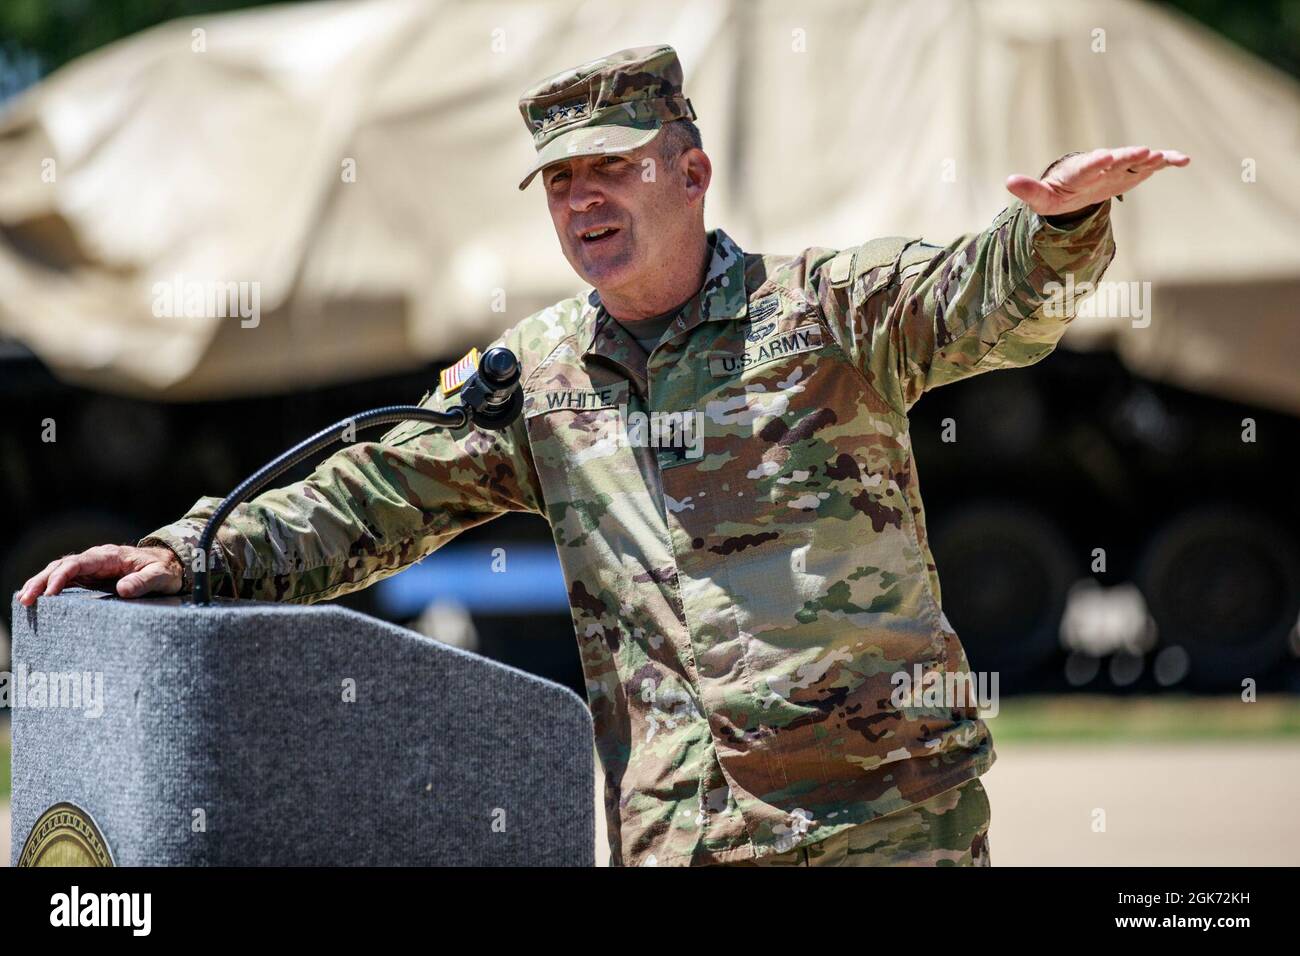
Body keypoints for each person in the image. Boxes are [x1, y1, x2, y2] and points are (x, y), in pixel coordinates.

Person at [19, 44, 1188, 867]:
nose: (583, 201)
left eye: (613, 168)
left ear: (691, 174)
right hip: (675, 839)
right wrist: (189, 554)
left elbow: (985, 300)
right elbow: (369, 494)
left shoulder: (828, 312)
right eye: (561, 182)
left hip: (877, 833)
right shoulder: (540, 375)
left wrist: (1056, 229)